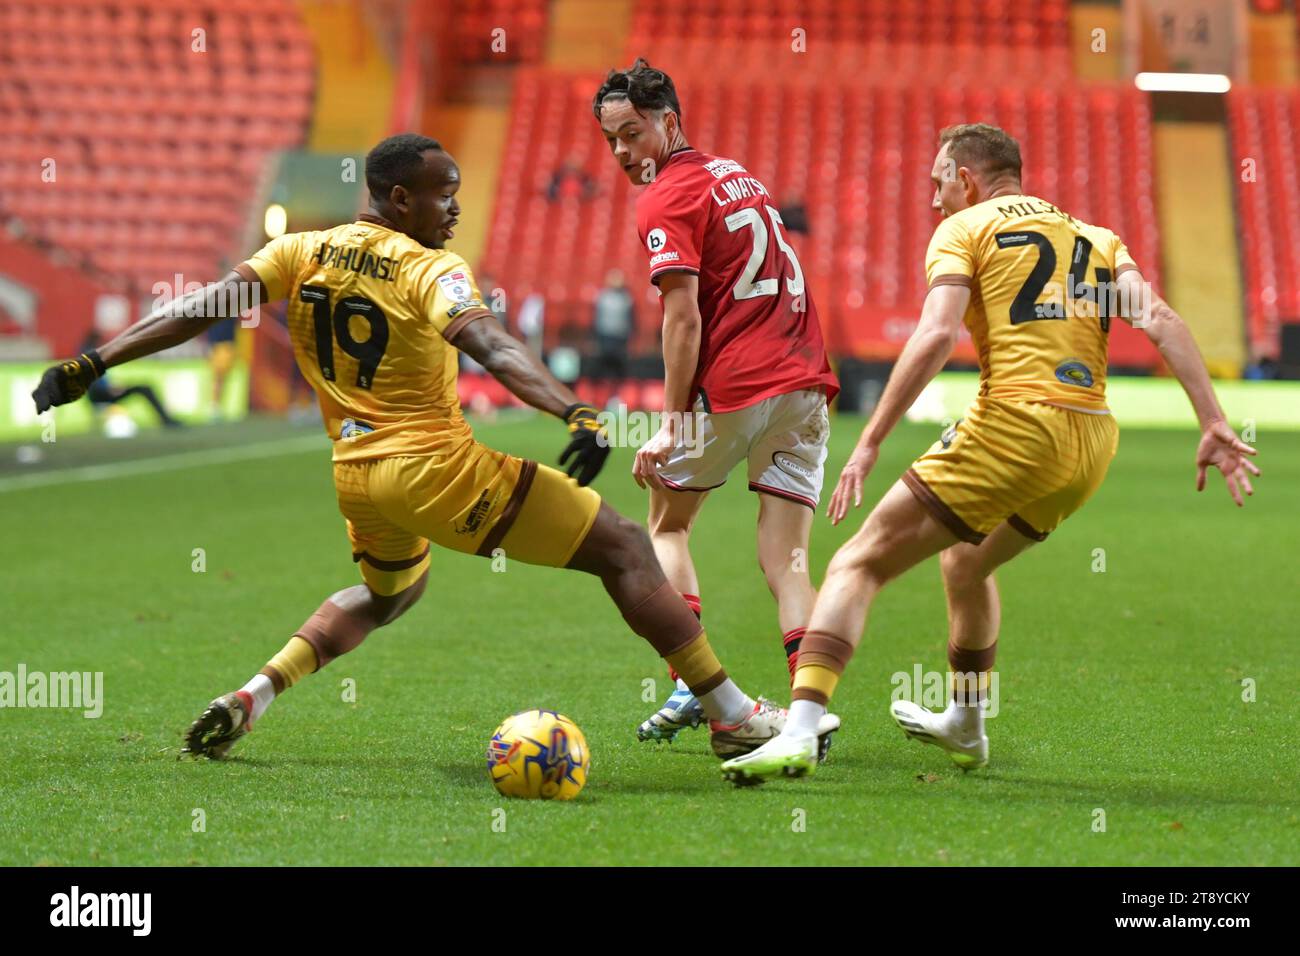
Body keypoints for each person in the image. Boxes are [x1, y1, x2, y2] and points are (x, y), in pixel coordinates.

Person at [32, 133, 824, 762]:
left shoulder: (295, 252)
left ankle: (256, 693)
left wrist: (95, 360)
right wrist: (573, 410)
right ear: (400, 198)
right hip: (438, 471)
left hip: (356, 477)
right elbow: (492, 344)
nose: (453, 208)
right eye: (443, 194)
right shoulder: (429, 269)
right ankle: (731, 716)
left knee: (388, 595)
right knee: (622, 545)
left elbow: (201, 307)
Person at [720, 123, 1260, 783]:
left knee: (858, 564)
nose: (933, 199)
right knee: (966, 563)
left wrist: (868, 442)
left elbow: (936, 333)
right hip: (1090, 438)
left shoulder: (965, 229)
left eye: (938, 183)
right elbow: (1163, 322)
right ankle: (968, 723)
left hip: (1015, 423)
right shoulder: (1097, 238)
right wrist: (1211, 418)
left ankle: (799, 730)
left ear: (967, 179)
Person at [594, 60, 840, 743]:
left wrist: (671, 424)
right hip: (805, 381)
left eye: (632, 133)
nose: (621, 152)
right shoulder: (738, 175)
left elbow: (683, 319)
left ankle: (691, 688)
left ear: (669, 122)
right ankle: (809, 714)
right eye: (611, 139)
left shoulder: (665, 196)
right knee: (787, 559)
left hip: (735, 385)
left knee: (667, 527)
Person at [78, 328, 181, 428]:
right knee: (144, 389)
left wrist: (112, 387)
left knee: (143, 388)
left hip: (103, 392)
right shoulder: (91, 356)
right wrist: (110, 389)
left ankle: (166, 419)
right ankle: (166, 420)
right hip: (102, 395)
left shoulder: (87, 354)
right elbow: (95, 383)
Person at [592, 269, 634, 381]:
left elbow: (631, 319)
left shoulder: (627, 298)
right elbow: (597, 317)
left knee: (620, 366)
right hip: (606, 335)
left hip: (621, 336)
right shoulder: (603, 296)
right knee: (605, 363)